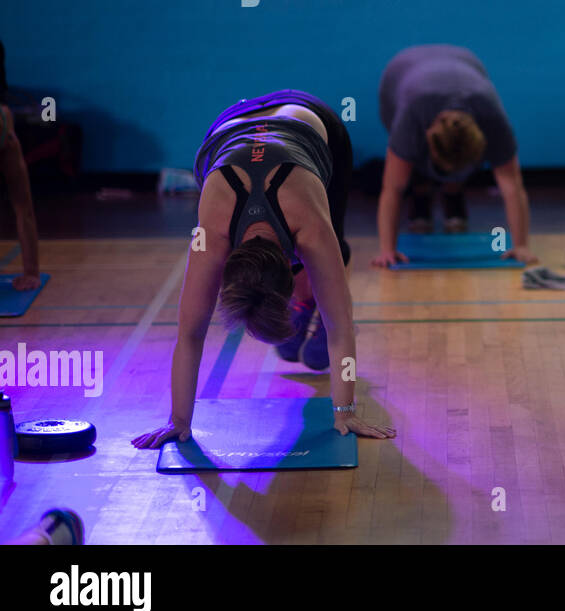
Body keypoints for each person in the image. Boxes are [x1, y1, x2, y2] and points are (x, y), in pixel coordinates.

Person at [133, 90, 394, 449]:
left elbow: (342, 326)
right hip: (231, 123)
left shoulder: (309, 225)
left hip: (310, 120)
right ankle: (303, 308)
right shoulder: (212, 232)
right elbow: (190, 333)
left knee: (335, 251)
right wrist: (179, 421)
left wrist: (344, 410)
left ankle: (307, 301)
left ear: (290, 270)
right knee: (321, 267)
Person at [371, 45, 536, 267]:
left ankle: (452, 194)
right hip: (401, 72)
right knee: (407, 160)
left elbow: (512, 186)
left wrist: (521, 245)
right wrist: (387, 250)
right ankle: (421, 195)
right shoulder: (412, 114)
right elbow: (392, 188)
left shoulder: (491, 117)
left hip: (465, 62)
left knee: (456, 168)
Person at [0, 102, 40, 292]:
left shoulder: (6, 130)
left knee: (23, 207)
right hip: (5, 131)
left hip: (6, 135)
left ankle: (32, 272)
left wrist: (31, 273)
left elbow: (25, 211)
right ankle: (32, 273)